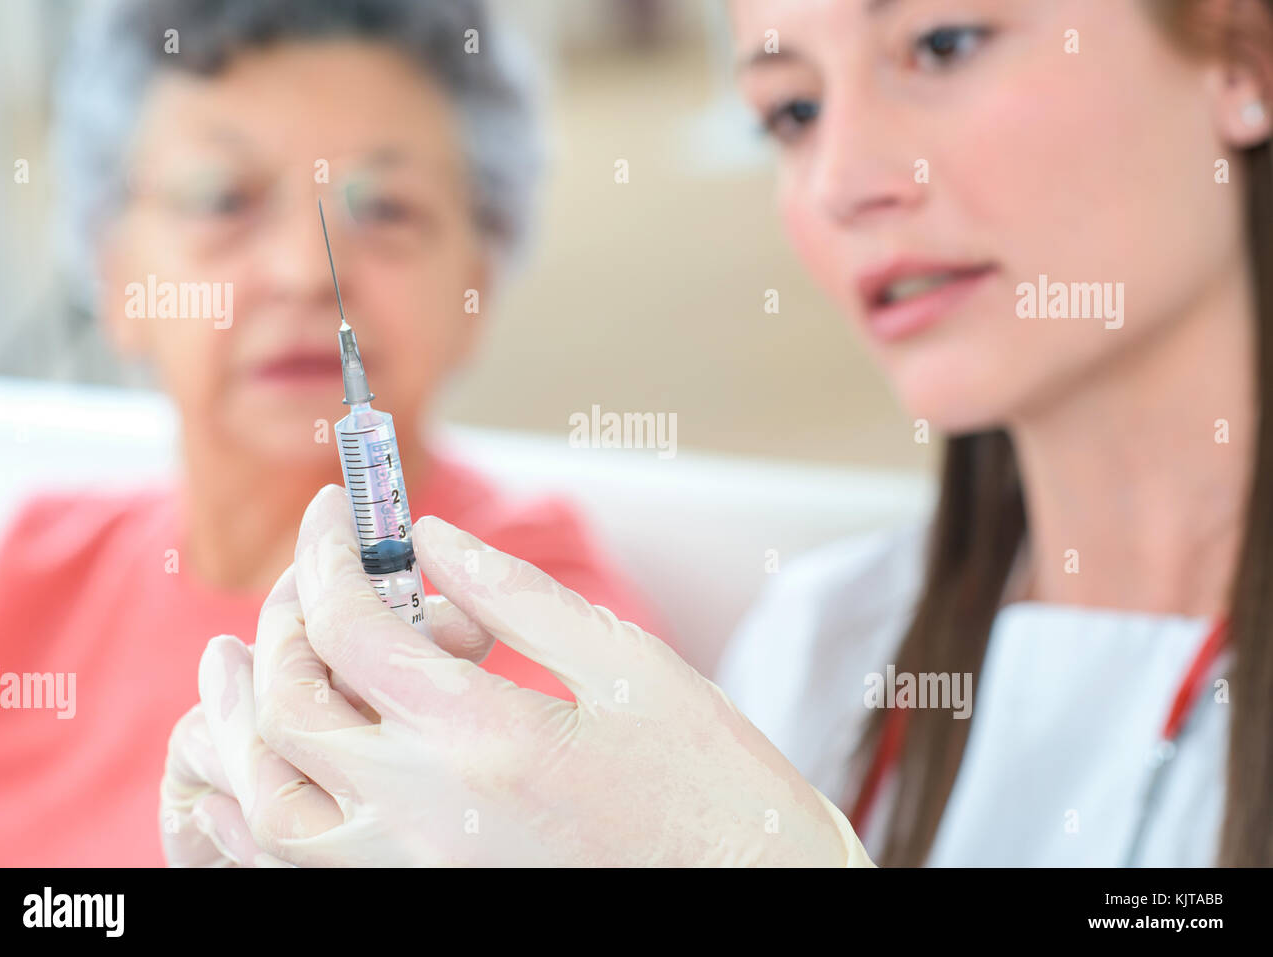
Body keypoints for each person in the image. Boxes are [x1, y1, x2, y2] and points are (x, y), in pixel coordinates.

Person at [162, 0, 1273, 866]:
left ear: (1239, 54)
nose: (842, 181)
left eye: (940, 43)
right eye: (791, 111)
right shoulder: (825, 647)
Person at [0, 0, 660, 868]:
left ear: (477, 278)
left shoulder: (548, 631)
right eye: (223, 199)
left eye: (388, 208)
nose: (304, 271)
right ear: (113, 273)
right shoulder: (40, 572)